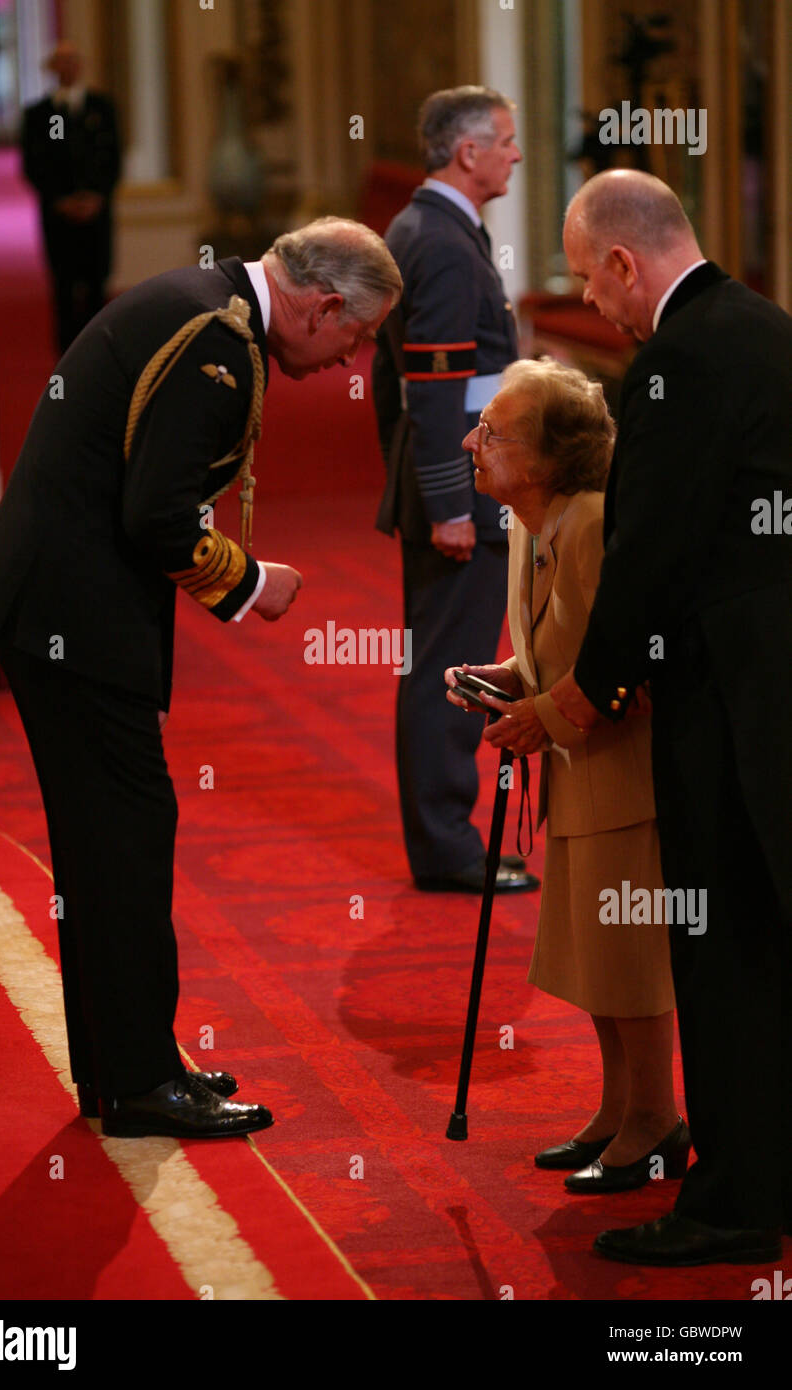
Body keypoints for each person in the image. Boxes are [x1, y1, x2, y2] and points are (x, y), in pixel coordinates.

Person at [0, 219, 402, 1139]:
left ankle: (124, 1067)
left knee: (109, 840)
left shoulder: (211, 308)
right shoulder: (218, 345)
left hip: (62, 607)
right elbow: (156, 517)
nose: (348, 360)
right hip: (69, 618)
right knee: (123, 841)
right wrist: (250, 584)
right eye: (355, 336)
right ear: (321, 307)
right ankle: (140, 1083)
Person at [550, 169, 792, 1265]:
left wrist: (589, 688)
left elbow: (652, 546)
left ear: (624, 261)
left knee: (726, 947)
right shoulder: (767, 326)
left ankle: (732, 1204)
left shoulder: (676, 361)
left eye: (586, 280)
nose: (587, 302)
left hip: (731, 698)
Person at [446, 358, 687, 1192]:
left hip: (627, 781)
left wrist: (539, 715)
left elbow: (638, 668)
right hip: (575, 774)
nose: (470, 442)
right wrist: (506, 677)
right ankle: (618, 1109)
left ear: (549, 458)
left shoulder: (589, 524)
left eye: (493, 433)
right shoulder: (527, 522)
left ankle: (656, 1120)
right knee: (595, 960)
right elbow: (566, 646)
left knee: (630, 960)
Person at [372, 86, 537, 894]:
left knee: (442, 660)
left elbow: (391, 384)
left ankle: (446, 841)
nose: (515, 154)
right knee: (449, 667)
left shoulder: (430, 228)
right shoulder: (438, 241)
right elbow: (435, 391)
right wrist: (445, 503)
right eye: (504, 141)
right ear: (466, 152)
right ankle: (447, 851)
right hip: (462, 495)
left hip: (455, 483)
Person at [21, 41, 121, 353]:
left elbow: (113, 159)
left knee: (95, 284)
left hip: (96, 214)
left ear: (81, 65)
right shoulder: (39, 115)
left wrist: (96, 198)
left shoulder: (102, 108)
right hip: (58, 217)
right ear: (52, 67)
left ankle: (98, 353)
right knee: (63, 287)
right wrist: (60, 200)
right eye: (61, 60)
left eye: (72, 60)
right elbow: (33, 164)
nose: (67, 66)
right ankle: (67, 357)